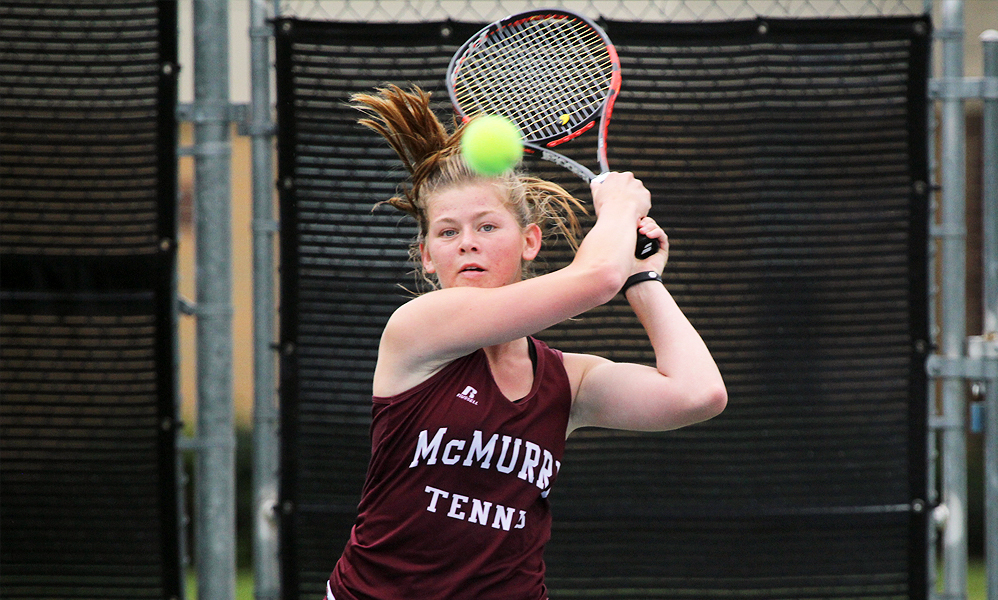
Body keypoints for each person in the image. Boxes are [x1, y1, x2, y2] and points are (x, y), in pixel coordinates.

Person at [326, 85, 727, 600]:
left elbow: (699, 394)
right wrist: (620, 209)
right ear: (427, 256)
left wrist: (644, 281)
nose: (467, 241)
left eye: (487, 225)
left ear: (530, 242)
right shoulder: (418, 328)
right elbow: (597, 277)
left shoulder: (567, 380)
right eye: (447, 233)